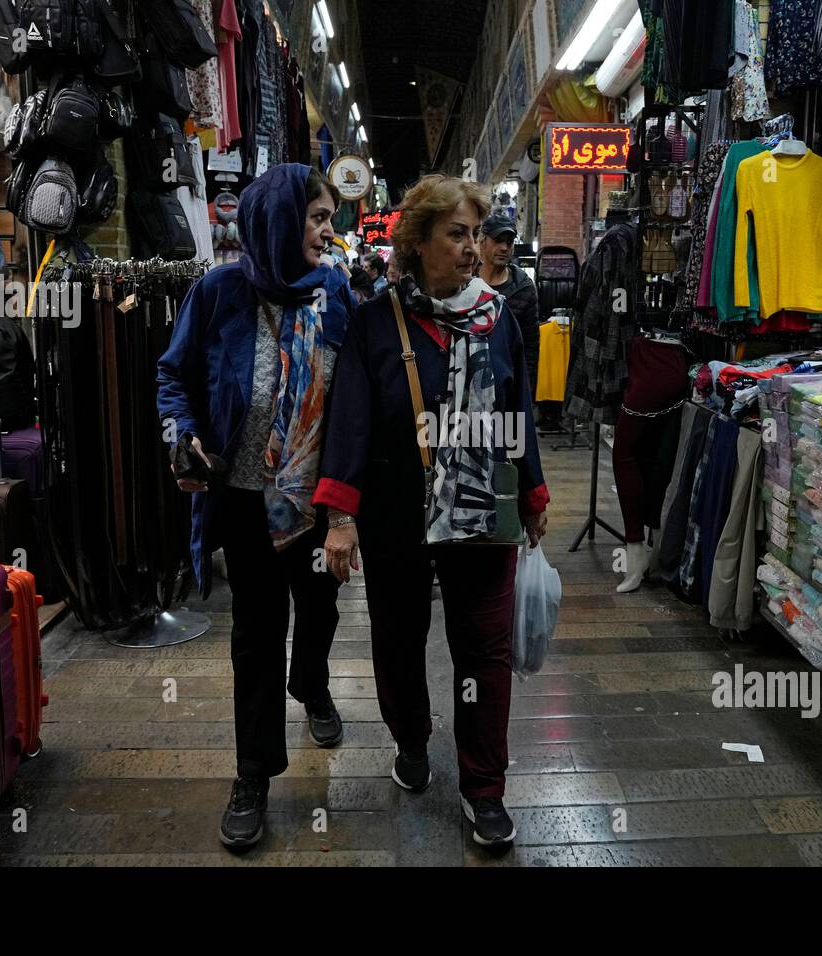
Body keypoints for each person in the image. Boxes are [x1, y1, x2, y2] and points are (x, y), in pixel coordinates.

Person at [312, 174, 550, 848]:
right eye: (457, 234)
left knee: (485, 649)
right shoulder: (374, 324)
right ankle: (411, 737)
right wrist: (340, 515)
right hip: (396, 512)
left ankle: (484, 786)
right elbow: (351, 419)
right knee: (398, 635)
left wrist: (531, 491)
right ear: (417, 242)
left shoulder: (499, 318)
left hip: (483, 513)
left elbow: (517, 409)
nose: (473, 248)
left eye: (477, 234)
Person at [157, 163, 354, 851]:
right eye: (319, 217)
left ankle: (314, 684)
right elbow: (173, 375)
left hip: (317, 505)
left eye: (331, 218)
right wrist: (181, 436)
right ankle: (253, 774)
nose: (330, 231)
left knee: (322, 612)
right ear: (277, 219)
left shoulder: (334, 293)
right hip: (243, 504)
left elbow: (351, 398)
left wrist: (349, 505)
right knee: (257, 636)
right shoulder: (218, 292)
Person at [477, 211, 541, 391]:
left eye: (509, 242)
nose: (504, 248)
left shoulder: (524, 288)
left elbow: (530, 348)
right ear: (482, 242)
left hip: (508, 382)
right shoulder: (465, 283)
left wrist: (526, 393)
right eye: (498, 241)